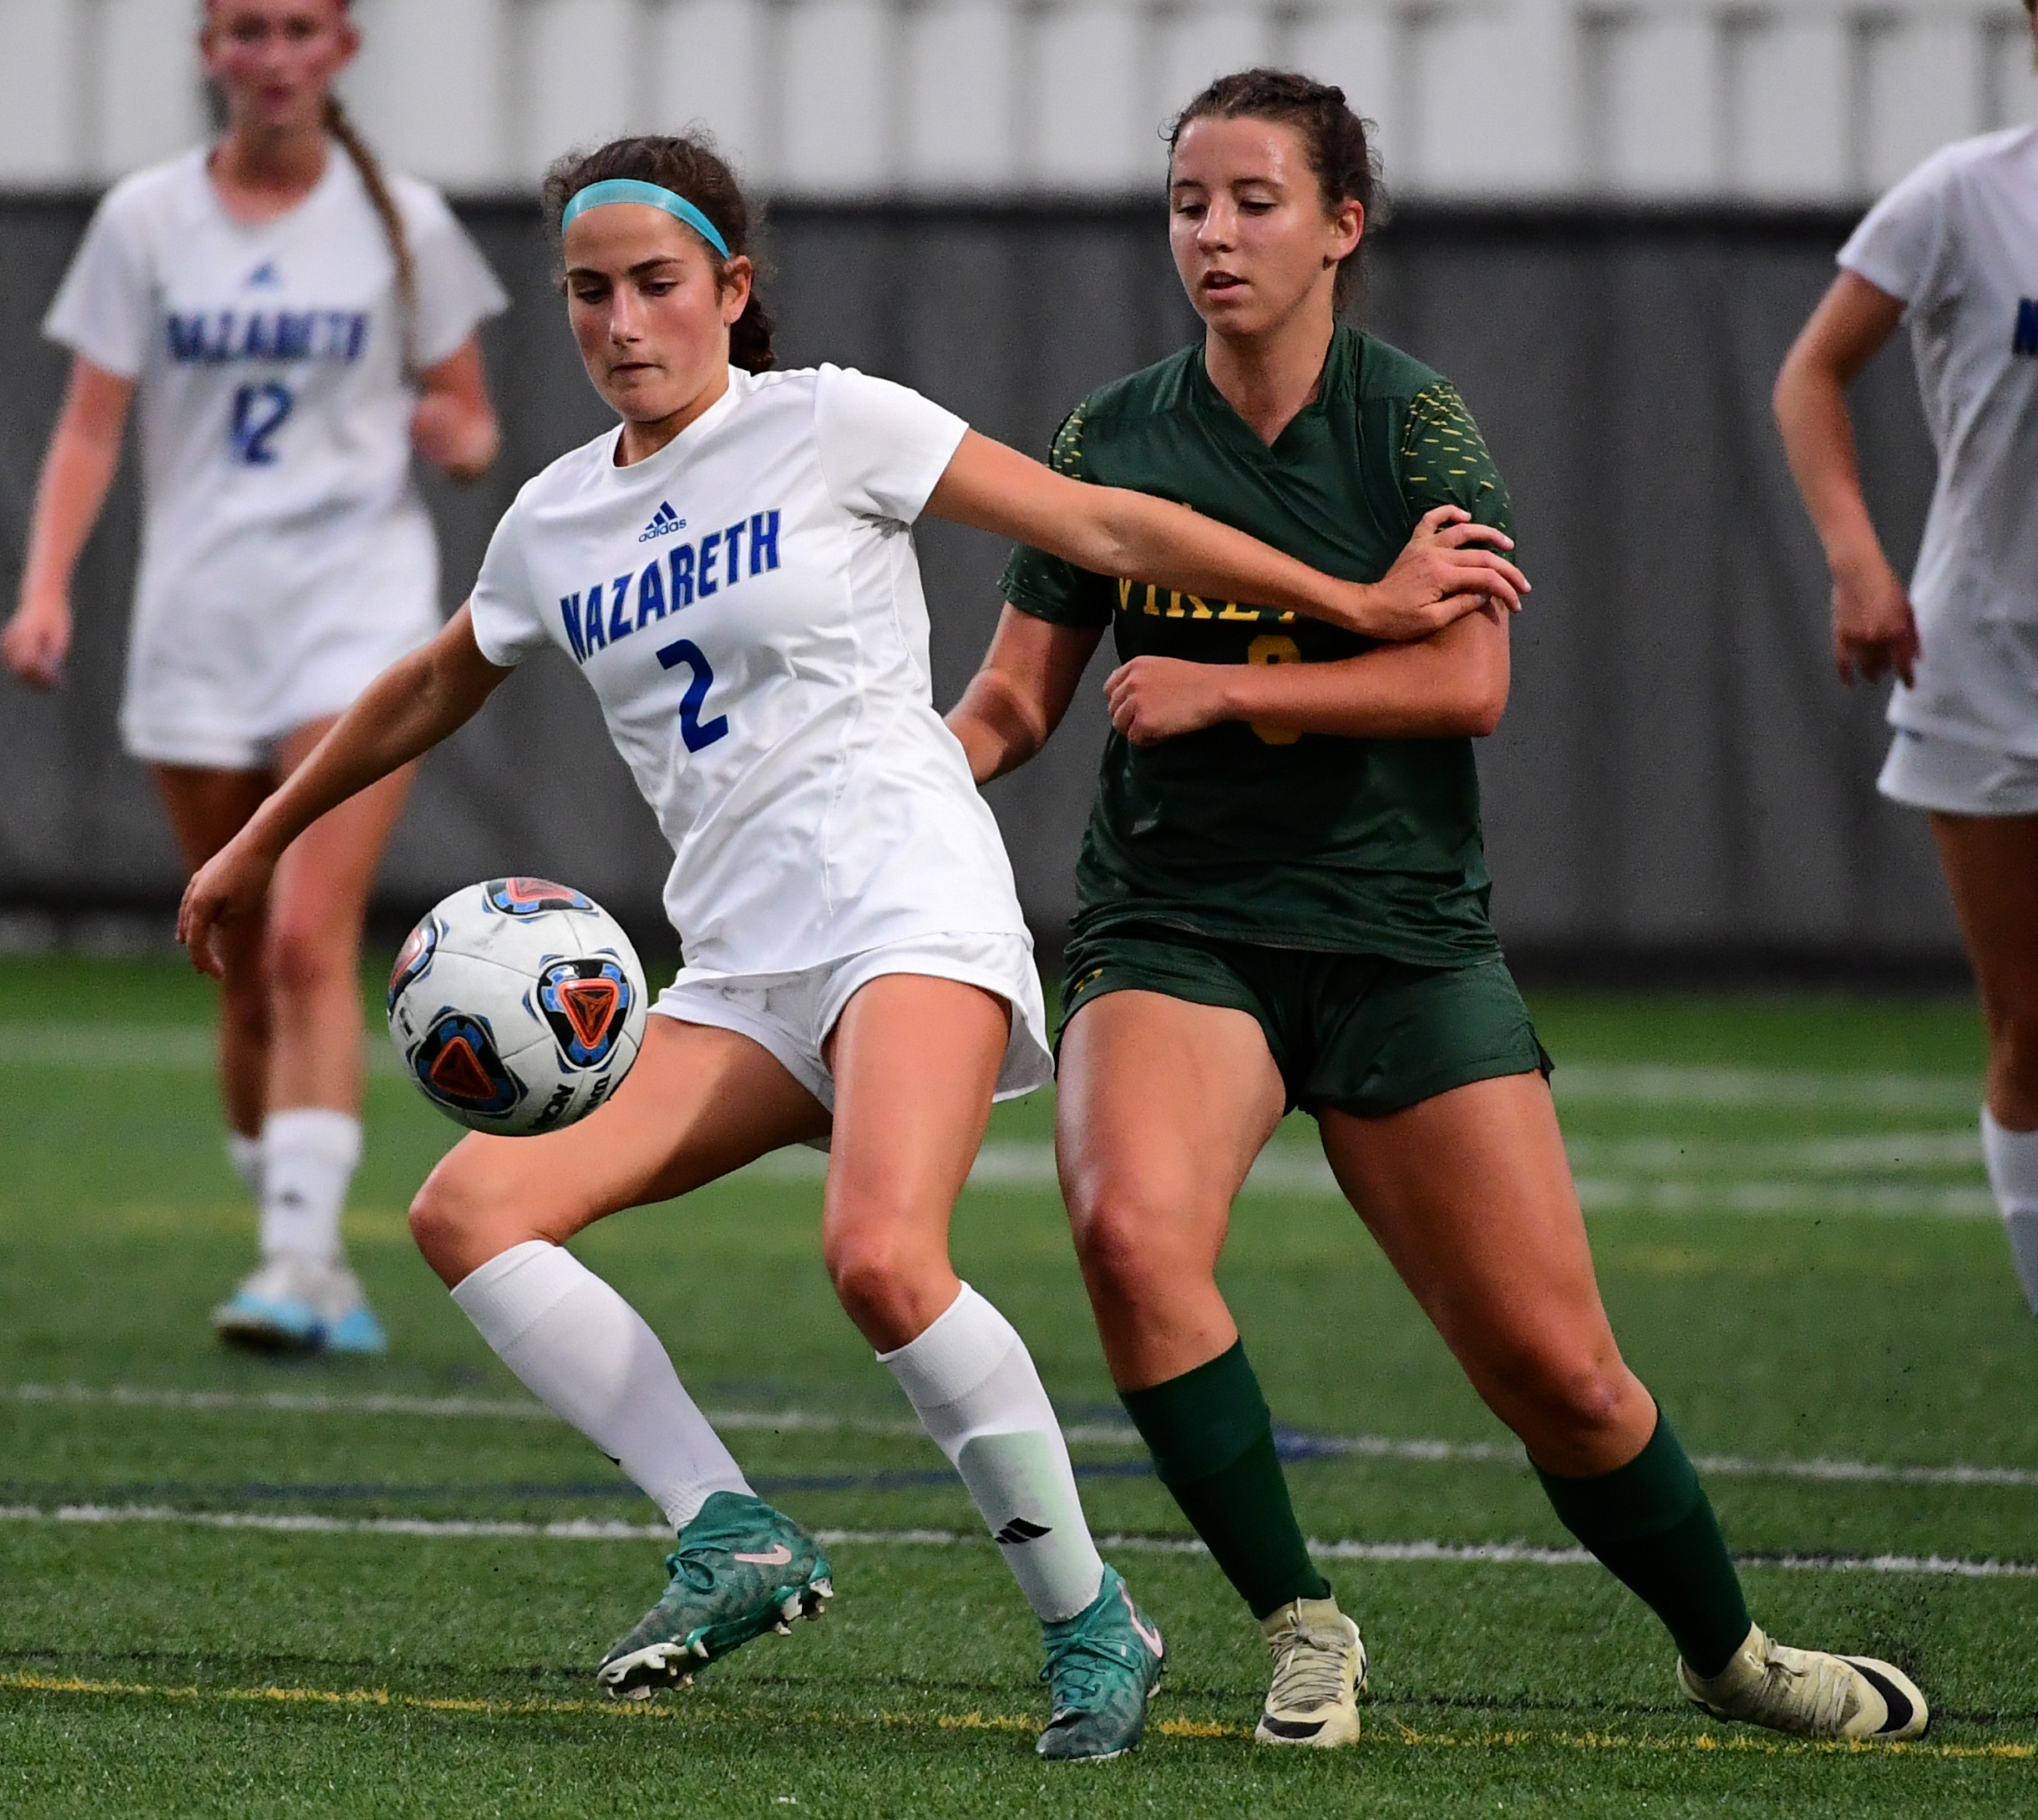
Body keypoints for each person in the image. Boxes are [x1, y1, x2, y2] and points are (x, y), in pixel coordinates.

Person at [172, 131, 1499, 1757]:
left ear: (730, 290)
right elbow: (431, 679)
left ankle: (1092, 1624)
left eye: (656, 283)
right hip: (738, 968)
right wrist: (260, 839)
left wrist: (1355, 603)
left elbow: (1110, 526)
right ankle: (725, 1531)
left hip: (906, 908)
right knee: (471, 1208)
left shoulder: (829, 422)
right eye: (587, 292)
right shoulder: (553, 522)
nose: (619, 320)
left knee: (878, 1253)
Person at [948, 68, 1929, 1749]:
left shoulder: (1410, 421)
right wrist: (881, 785)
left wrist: (1229, 694)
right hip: (1173, 927)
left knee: (1559, 1372)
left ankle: (1727, 1650)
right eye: (1187, 200)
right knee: (1125, 1237)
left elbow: (1467, 676)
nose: (1212, 232)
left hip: (1401, 937)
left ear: (1342, 225)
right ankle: (1297, 1622)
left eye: (1253, 199)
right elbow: (1014, 703)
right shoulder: (1109, 434)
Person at [1, 0, 506, 1355]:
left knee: (299, 936)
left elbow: (471, 416)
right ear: (208, 50)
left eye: (295, 28)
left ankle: (300, 1263)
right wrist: (45, 586)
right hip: (197, 624)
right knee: (235, 952)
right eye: (244, 30)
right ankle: (296, 1239)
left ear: (340, 47)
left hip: (354, 617)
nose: (270, 55)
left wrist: (451, 434)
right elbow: (89, 428)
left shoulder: (402, 219)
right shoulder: (146, 220)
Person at [1774, 0, 2038, 1326]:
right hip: (1988, 668)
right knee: (2031, 1034)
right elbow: (1811, 375)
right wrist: (1859, 561)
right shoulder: (1963, 196)